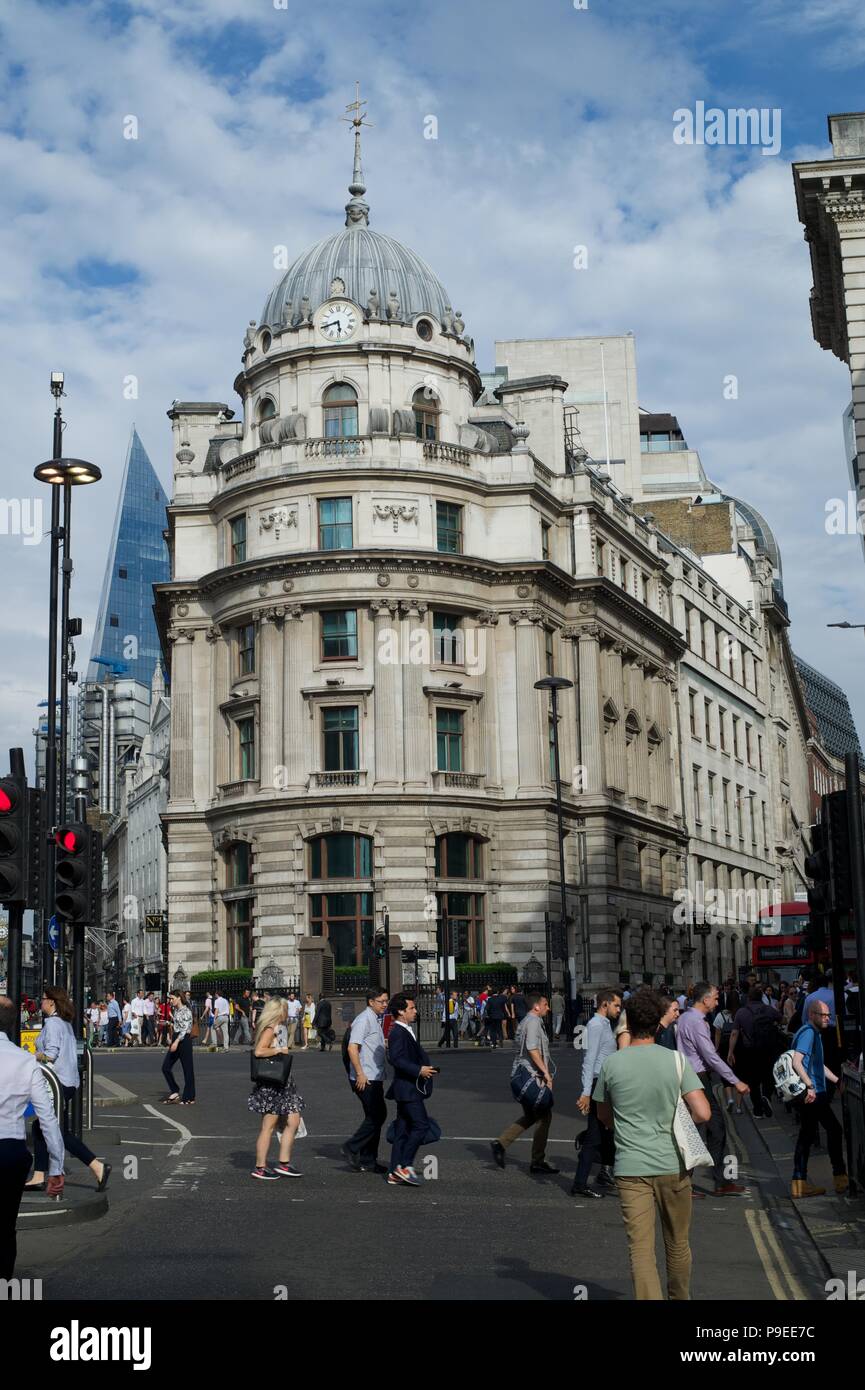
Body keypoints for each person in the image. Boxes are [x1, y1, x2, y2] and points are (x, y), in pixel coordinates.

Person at [594, 989, 710, 1300]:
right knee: (677, 1242)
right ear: (659, 1023)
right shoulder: (675, 1060)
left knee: (641, 1250)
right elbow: (702, 1112)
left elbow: (603, 1116)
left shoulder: (612, 1064)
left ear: (628, 1022)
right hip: (673, 1164)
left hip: (631, 1167)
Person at [0, 997, 65, 1278]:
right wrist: (56, 1167)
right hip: (11, 1151)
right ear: (14, 1023)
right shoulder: (26, 1061)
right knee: (6, 1228)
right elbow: (47, 1117)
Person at [25, 988, 111, 1194]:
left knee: (55, 1130)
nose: (41, 1002)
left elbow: (51, 1054)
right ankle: (39, 1176)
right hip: (69, 1082)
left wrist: (32, 1056)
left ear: (52, 1002)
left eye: (43, 999)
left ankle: (97, 1167)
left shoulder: (53, 1024)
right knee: (42, 1127)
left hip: (58, 1083)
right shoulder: (65, 1024)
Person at [675, 981, 749, 1196]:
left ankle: (721, 1181)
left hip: (695, 1077)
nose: (718, 1001)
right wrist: (736, 1081)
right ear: (705, 999)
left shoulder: (689, 1018)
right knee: (698, 1130)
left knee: (715, 1128)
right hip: (697, 1079)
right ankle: (685, 1184)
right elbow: (710, 1056)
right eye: (716, 997)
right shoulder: (696, 1022)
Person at [491, 994, 559, 1176]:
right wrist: (546, 1073)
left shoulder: (526, 1021)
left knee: (530, 1116)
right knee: (544, 1116)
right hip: (530, 1075)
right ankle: (537, 1160)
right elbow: (532, 1049)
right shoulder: (534, 1022)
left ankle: (501, 1143)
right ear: (536, 1007)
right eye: (545, 1004)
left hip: (522, 1074)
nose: (548, 1007)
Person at [790, 1000, 848, 1198]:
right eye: (823, 1015)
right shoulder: (808, 1033)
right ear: (811, 1015)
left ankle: (799, 1182)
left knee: (806, 1135)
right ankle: (840, 1177)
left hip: (812, 1092)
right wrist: (810, 1086)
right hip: (814, 1094)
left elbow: (818, 1065)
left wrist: (837, 1080)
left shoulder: (809, 1033)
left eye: (828, 1015)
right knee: (833, 1130)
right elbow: (797, 1062)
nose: (827, 1019)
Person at [572, 987, 622, 1197]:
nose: (619, 1009)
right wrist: (585, 1093)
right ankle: (580, 1184)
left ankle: (604, 1172)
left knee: (606, 1132)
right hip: (596, 1085)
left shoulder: (605, 1024)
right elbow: (589, 1060)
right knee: (595, 1135)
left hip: (604, 1085)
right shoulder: (595, 1025)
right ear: (605, 1004)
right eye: (616, 1005)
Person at [249, 998, 304, 1180]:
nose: (288, 1011)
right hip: (272, 1083)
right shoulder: (270, 1028)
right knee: (269, 1126)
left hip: (284, 1082)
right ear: (278, 1011)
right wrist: (279, 1050)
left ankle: (284, 1163)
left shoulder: (279, 1027)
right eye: (285, 1008)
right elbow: (258, 1051)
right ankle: (260, 1167)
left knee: (293, 1121)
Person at [385, 993, 436, 1186]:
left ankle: (394, 1171)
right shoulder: (398, 1032)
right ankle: (404, 1165)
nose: (415, 1011)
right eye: (412, 1008)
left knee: (403, 1130)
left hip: (406, 1088)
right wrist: (419, 1069)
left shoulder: (405, 1029)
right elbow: (396, 1059)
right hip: (408, 1089)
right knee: (421, 1125)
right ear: (401, 1011)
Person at [343, 989, 390, 1174]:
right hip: (366, 1078)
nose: (385, 1004)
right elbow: (352, 1048)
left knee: (375, 1116)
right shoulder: (364, 1019)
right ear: (371, 1002)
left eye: (386, 1000)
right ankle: (352, 1147)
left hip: (374, 1076)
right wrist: (360, 1073)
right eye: (381, 1001)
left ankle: (368, 1159)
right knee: (377, 1116)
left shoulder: (374, 1018)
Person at [728, 986, 781, 1119]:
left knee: (753, 1081)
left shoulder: (741, 1012)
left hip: (749, 1051)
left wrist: (730, 1052)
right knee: (768, 1076)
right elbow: (783, 1019)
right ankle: (766, 1096)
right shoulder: (769, 1009)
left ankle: (757, 1110)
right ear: (761, 997)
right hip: (768, 1050)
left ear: (748, 998)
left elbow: (734, 1033)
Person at [161, 991, 196, 1105]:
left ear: (179, 998)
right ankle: (175, 1090)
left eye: (172, 998)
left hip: (184, 1040)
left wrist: (176, 1042)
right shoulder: (175, 1010)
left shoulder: (186, 1011)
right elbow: (178, 1025)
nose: (170, 1001)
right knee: (166, 1067)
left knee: (187, 1069)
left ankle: (189, 1097)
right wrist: (167, 1023)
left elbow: (185, 1029)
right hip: (176, 1038)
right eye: (170, 999)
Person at [712, 990, 739, 1112]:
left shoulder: (720, 1016)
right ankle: (738, 1106)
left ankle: (729, 1099)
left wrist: (716, 1049)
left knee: (726, 1073)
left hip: (724, 1048)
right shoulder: (741, 1014)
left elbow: (717, 1034)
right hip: (739, 1047)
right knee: (739, 1074)